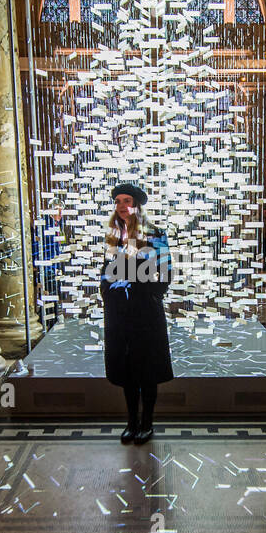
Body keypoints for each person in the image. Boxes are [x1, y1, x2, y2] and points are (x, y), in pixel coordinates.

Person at [100, 182, 172, 445]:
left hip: (145, 313)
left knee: (147, 367)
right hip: (119, 314)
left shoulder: (155, 235)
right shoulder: (113, 235)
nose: (121, 206)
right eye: (118, 201)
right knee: (127, 368)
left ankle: (147, 423)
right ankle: (131, 422)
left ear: (137, 205)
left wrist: (140, 289)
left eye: (126, 200)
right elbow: (107, 271)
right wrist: (108, 292)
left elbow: (165, 274)